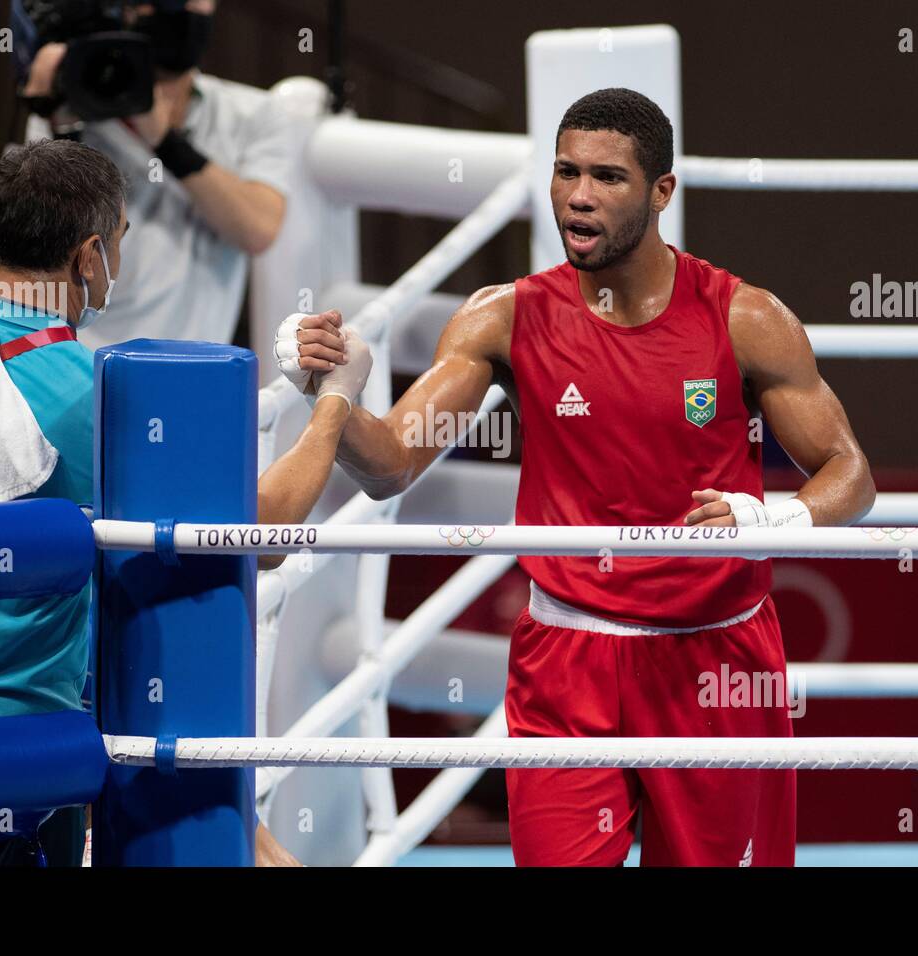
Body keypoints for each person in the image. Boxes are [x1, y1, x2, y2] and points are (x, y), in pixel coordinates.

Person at [276, 88, 876, 866]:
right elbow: (391, 463)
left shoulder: (744, 318)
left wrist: (778, 519)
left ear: (662, 191)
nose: (580, 197)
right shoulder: (504, 317)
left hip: (714, 664)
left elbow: (851, 474)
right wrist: (333, 391)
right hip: (567, 663)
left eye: (608, 177)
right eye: (566, 172)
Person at [0, 138, 370, 867]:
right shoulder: (101, 400)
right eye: (123, 244)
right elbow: (251, 535)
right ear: (91, 255)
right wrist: (335, 404)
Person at [19, 0, 291, 350]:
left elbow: (258, 229)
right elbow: (31, 246)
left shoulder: (254, 113)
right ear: (128, 11)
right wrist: (57, 121)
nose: (184, 10)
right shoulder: (75, 107)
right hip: (84, 364)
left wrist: (164, 140)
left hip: (191, 369)